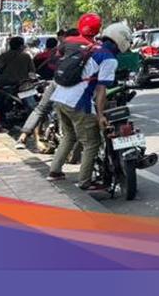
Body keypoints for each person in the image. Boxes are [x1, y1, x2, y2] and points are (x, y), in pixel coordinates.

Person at [48, 19, 128, 189]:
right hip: (77, 102)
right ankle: (85, 182)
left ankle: (54, 171)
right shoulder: (109, 58)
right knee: (92, 142)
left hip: (60, 96)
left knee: (69, 136)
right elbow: (100, 90)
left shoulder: (92, 47)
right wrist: (100, 115)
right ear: (121, 40)